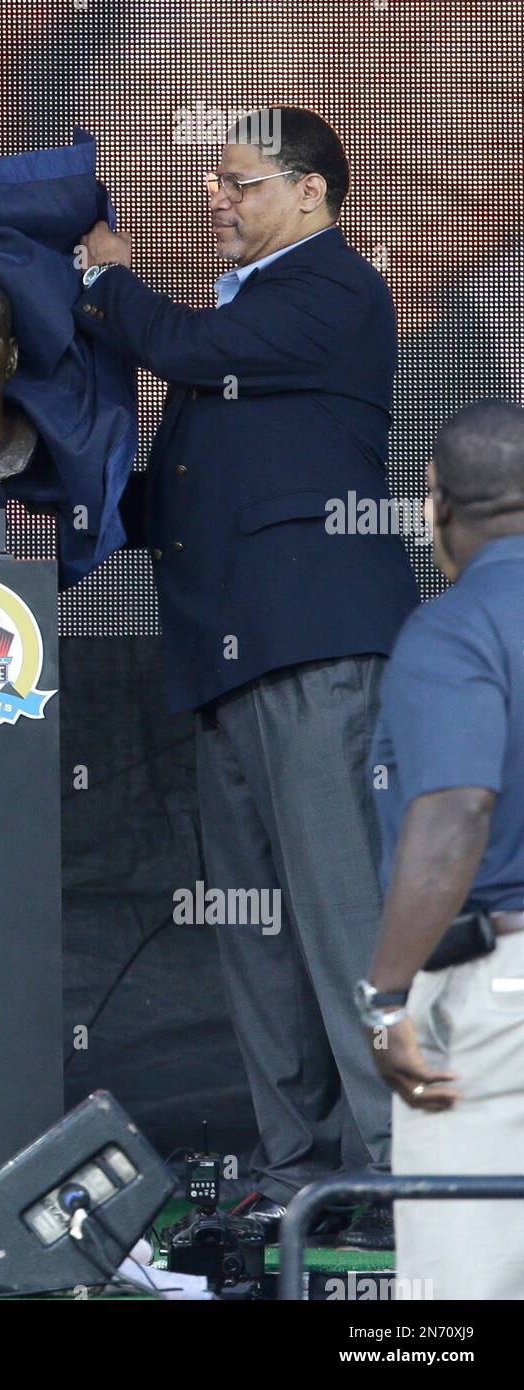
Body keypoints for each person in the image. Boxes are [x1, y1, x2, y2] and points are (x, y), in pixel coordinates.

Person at [72, 108, 419, 1249]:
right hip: (226, 658)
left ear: (313, 193)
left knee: (339, 919)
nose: (217, 199)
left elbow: (181, 351)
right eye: (215, 182)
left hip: (315, 649)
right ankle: (298, 1167)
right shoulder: (253, 309)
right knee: (259, 932)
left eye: (239, 183)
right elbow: (172, 490)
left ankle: (397, 1172)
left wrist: (108, 282)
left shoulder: (334, 287)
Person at [360, 400, 524, 1299]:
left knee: (457, 1308)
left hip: (497, 998)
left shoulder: (456, 626)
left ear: (435, 504)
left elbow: (457, 807)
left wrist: (385, 997)